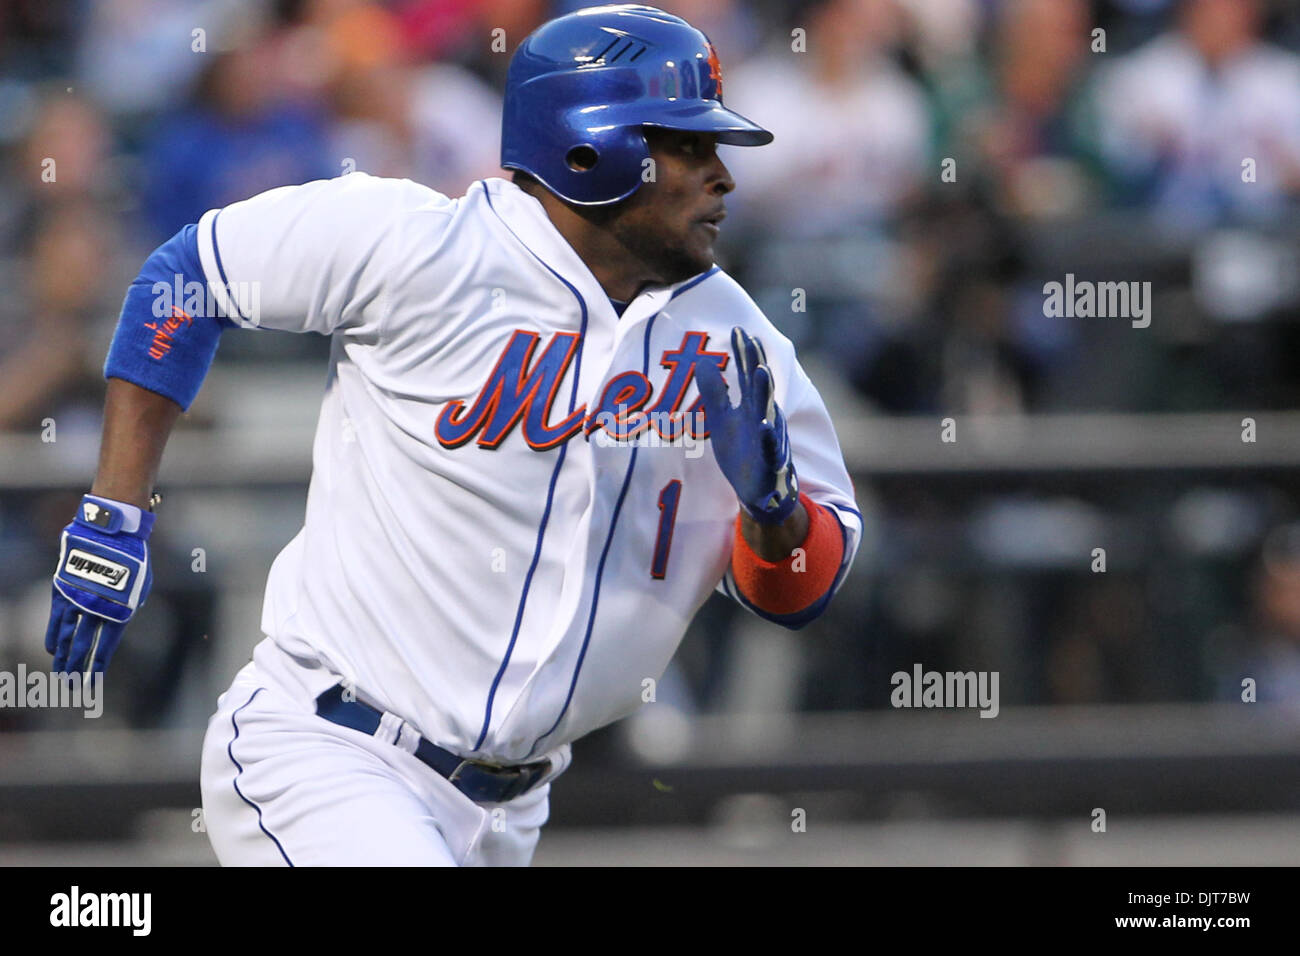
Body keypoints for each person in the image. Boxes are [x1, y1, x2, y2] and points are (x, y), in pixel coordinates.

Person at [44, 4, 861, 866]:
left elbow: (803, 592)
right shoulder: (418, 247)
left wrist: (773, 514)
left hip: (513, 807)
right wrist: (114, 517)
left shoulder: (737, 339)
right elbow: (184, 280)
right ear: (590, 147)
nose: (721, 176)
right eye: (687, 146)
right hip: (331, 752)